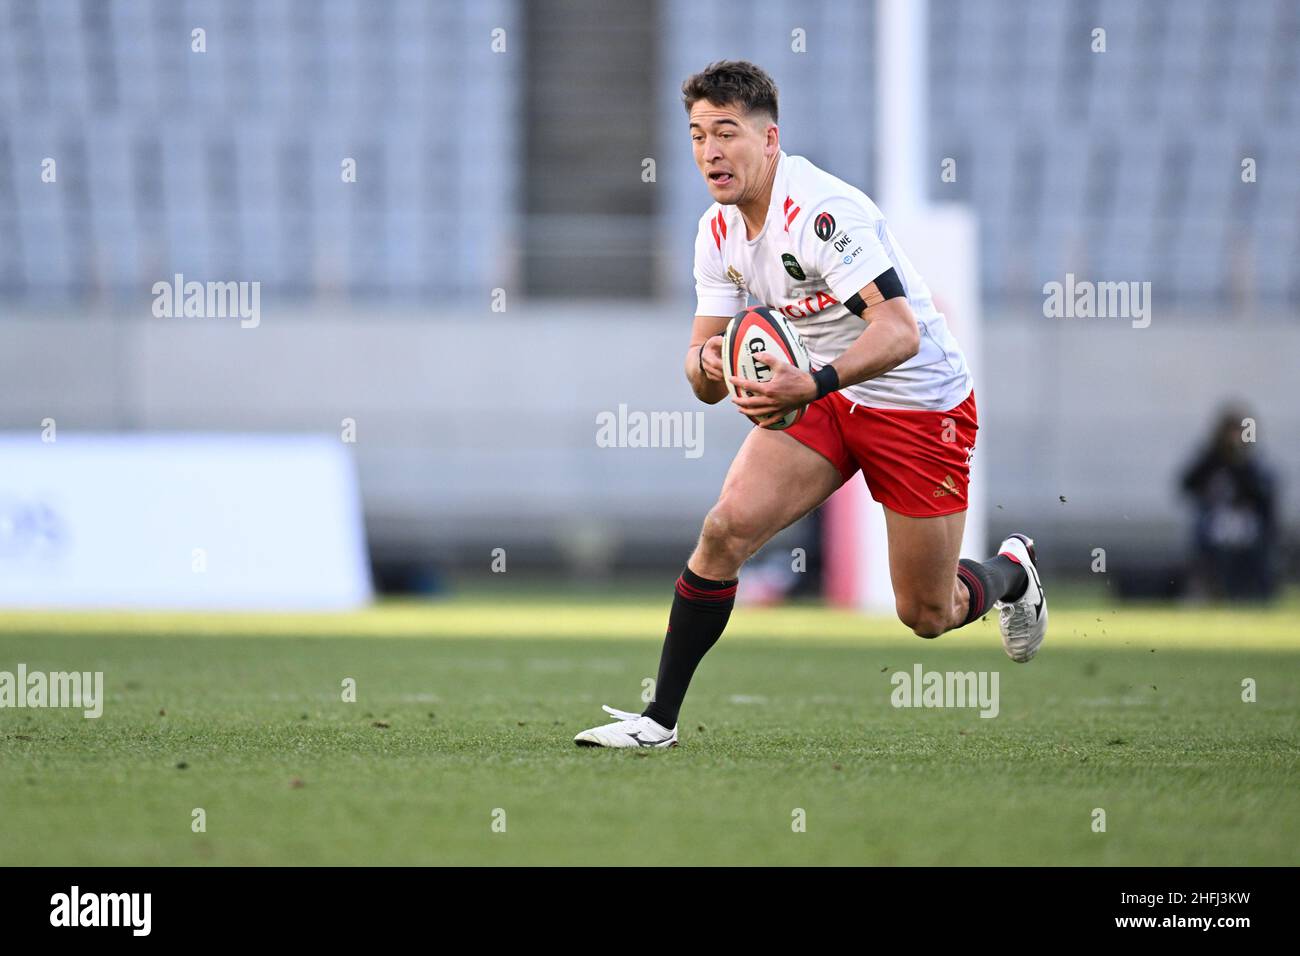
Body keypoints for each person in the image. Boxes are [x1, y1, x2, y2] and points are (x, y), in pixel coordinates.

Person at [575, 61, 1046, 749]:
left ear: (770, 141)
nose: (710, 151)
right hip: (824, 393)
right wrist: (708, 364)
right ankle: (658, 721)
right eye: (698, 134)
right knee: (723, 530)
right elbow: (701, 376)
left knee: (926, 611)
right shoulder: (716, 233)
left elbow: (901, 331)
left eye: (727, 133)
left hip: (917, 403)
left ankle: (1012, 571)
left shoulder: (822, 215)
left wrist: (815, 381)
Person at [1180, 405, 1279, 602]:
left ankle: (1253, 590)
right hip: (1215, 524)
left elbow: (1264, 494)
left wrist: (1240, 463)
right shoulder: (1211, 460)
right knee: (1214, 546)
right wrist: (1215, 457)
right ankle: (1210, 588)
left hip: (1247, 525)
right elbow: (1186, 483)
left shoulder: (1251, 462)